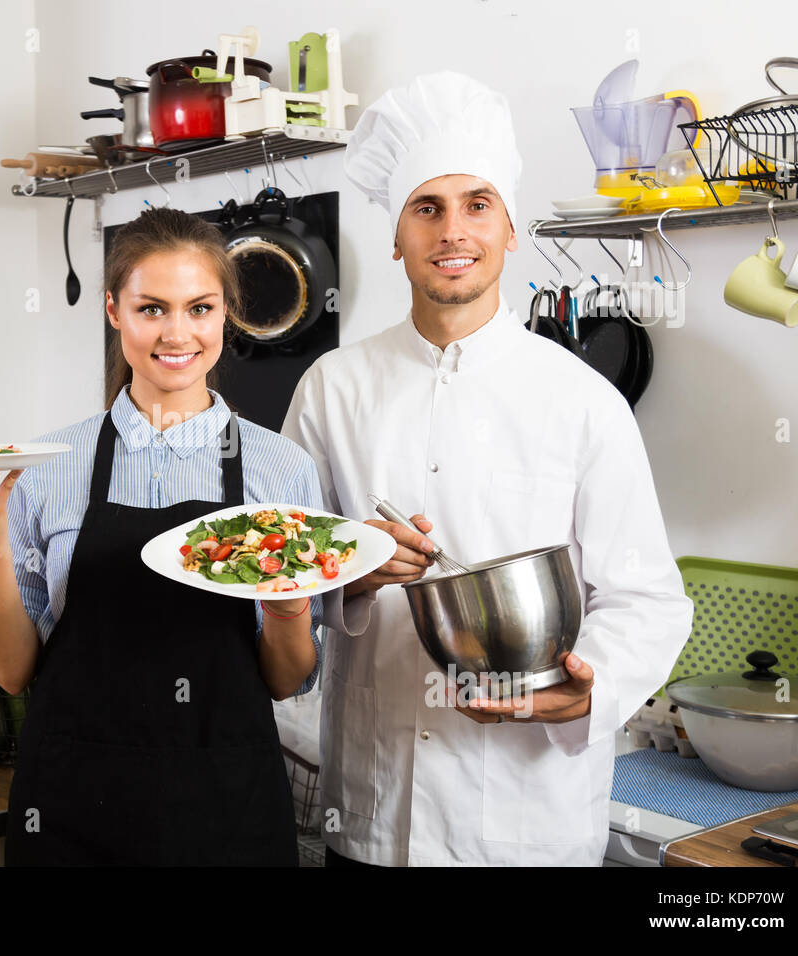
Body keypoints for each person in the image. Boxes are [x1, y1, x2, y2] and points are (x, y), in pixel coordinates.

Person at [281, 72, 694, 866]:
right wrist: (354, 577)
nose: (453, 231)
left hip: (528, 823)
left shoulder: (582, 399)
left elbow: (645, 597)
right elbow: (286, 582)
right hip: (375, 815)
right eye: (426, 208)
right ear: (397, 237)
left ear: (510, 231)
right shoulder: (331, 389)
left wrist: (589, 686)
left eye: (477, 204)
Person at [0, 206, 325, 866]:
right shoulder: (45, 464)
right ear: (114, 310)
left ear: (226, 314)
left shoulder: (281, 468)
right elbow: (13, 669)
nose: (177, 333)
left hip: (230, 814)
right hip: (75, 814)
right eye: (151, 308)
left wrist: (288, 603)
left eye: (200, 308)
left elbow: (286, 679)